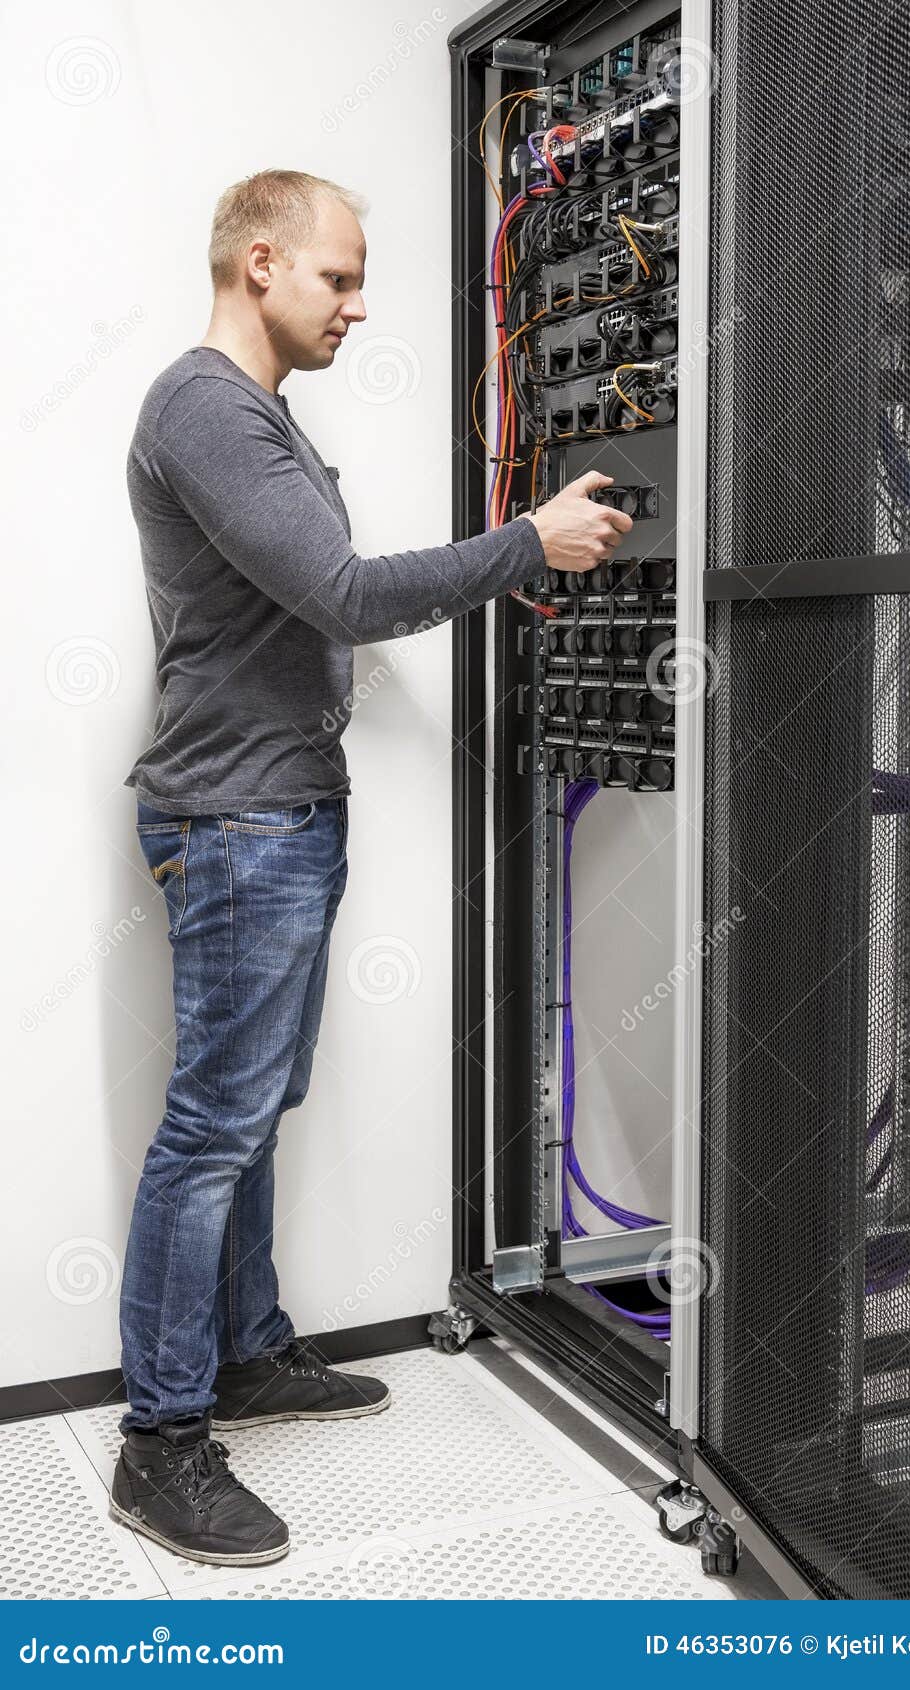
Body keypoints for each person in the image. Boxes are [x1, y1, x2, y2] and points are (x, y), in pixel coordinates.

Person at [110, 168, 633, 1566]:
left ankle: (247, 1350)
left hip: (280, 808)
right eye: (338, 277)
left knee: (253, 1105)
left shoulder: (255, 414)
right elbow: (338, 589)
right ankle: (160, 1441)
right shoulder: (204, 407)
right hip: (238, 820)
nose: (358, 302)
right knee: (212, 1123)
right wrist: (528, 542)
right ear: (259, 262)